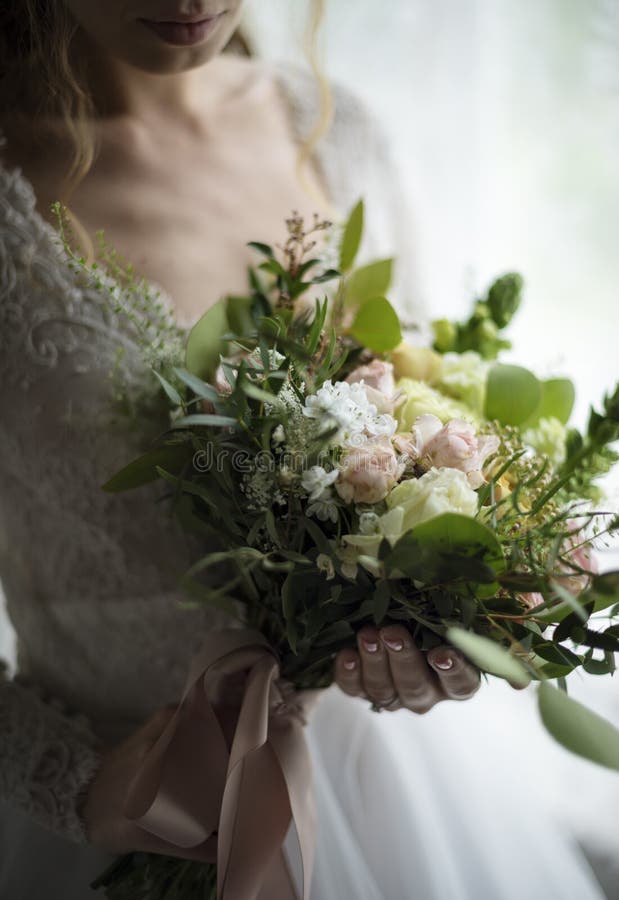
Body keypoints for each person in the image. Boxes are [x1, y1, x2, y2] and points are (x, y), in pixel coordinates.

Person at [0, 3, 606, 899]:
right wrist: (76, 780)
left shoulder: (334, 130)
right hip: (131, 818)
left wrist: (437, 622)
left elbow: (432, 411)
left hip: (390, 794)